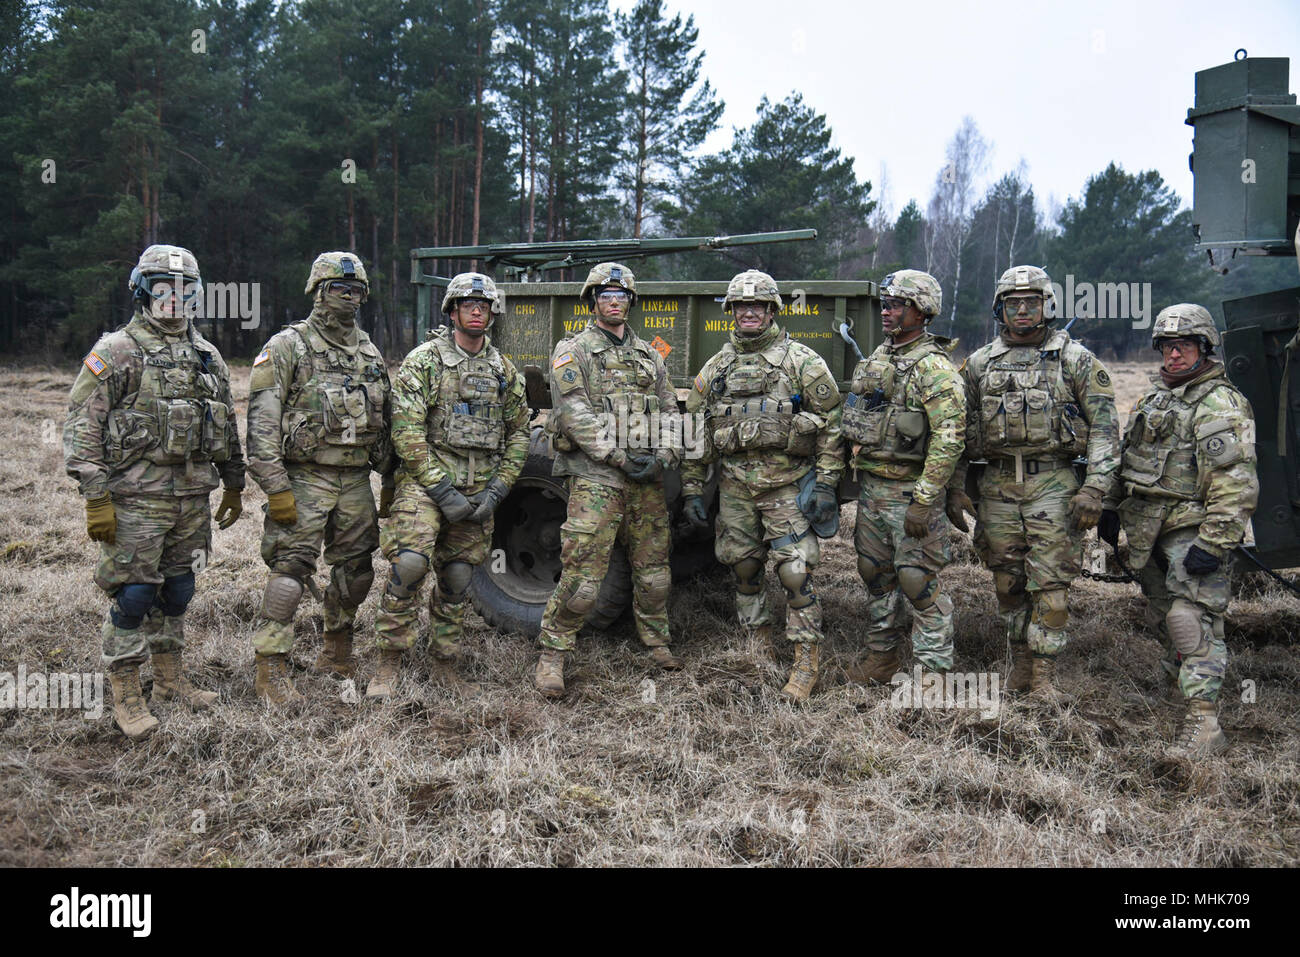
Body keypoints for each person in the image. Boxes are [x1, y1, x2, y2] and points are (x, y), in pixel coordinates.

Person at [64, 244, 244, 738]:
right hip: (134, 502)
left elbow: (225, 424)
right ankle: (126, 691)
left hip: (191, 499)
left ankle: (169, 682)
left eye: (184, 290)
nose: (174, 299)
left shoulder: (207, 356)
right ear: (143, 291)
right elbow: (82, 427)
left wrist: (233, 482)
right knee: (135, 594)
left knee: (179, 591)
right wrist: (96, 496)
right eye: (163, 289)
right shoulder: (118, 351)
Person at [953, 265, 1119, 702]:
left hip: (1054, 485)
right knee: (1007, 584)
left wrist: (1095, 487)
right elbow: (954, 430)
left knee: (1051, 587)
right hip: (997, 486)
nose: (1022, 310)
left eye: (1031, 302)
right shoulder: (978, 364)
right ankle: (1021, 665)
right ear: (1000, 309)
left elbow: (1104, 428)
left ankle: (1044, 676)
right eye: (1012, 303)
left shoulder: (1076, 360)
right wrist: (954, 487)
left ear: (1047, 305)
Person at [1101, 304, 1257, 757]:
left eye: (1183, 347)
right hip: (1149, 529)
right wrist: (1111, 505)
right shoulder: (1157, 399)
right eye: (1167, 348)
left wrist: (1213, 542)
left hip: (1192, 528)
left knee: (1192, 620)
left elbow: (1236, 483)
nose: (1173, 356)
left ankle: (1204, 724)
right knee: (1165, 613)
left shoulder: (1219, 403)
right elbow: (1127, 457)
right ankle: (1179, 691)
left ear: (1204, 349)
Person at [681, 270, 843, 702]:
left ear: (772, 310)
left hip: (786, 488)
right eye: (740, 306)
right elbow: (696, 432)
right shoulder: (716, 369)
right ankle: (758, 642)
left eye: (757, 306)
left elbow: (832, 424)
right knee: (743, 567)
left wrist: (826, 483)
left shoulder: (802, 362)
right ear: (731, 312)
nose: (749, 312)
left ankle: (805, 661)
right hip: (735, 488)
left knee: (794, 573)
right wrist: (694, 489)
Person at [367, 273, 529, 699]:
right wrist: (441, 490)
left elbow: (519, 435)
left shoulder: (503, 371)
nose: (477, 310)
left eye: (484, 305)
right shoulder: (425, 362)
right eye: (467, 304)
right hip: (426, 485)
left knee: (458, 576)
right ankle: (389, 661)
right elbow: (406, 431)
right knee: (410, 565)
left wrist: (496, 491)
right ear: (452, 311)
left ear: (493, 313)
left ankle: (445, 661)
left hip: (479, 491)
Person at [245, 251, 394, 704]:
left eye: (356, 291)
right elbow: (263, 421)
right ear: (318, 291)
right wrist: (275, 487)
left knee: (357, 571)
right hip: (304, 479)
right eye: (338, 289)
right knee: (290, 572)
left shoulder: (369, 352)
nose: (348, 299)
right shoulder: (288, 346)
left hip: (354, 480)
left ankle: (336, 649)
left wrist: (389, 480)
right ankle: (271, 665)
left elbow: (385, 421)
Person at [535, 262, 681, 697]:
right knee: (582, 577)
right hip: (597, 477)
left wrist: (665, 454)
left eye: (621, 295)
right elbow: (574, 413)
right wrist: (617, 457)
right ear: (593, 301)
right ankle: (553, 655)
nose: (614, 301)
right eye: (605, 295)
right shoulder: (573, 350)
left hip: (646, 478)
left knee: (655, 572)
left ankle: (656, 642)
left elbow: (672, 410)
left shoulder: (651, 354)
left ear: (630, 303)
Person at [841, 270, 966, 683]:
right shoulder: (877, 360)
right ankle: (883, 657)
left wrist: (925, 500)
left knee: (917, 581)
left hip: (911, 494)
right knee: (874, 575)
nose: (887, 310)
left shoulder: (935, 369)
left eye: (897, 304)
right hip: (873, 490)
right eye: (886, 303)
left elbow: (949, 440)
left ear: (922, 311)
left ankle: (933, 673)